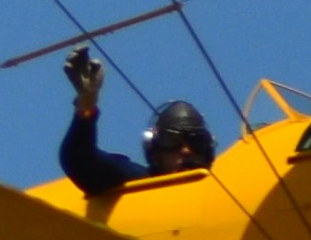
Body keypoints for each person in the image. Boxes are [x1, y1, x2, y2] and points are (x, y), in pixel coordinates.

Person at [59, 46, 214, 202]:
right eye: (171, 141)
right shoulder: (136, 180)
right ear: (155, 152)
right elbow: (81, 161)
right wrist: (86, 107)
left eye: (197, 142)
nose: (186, 151)